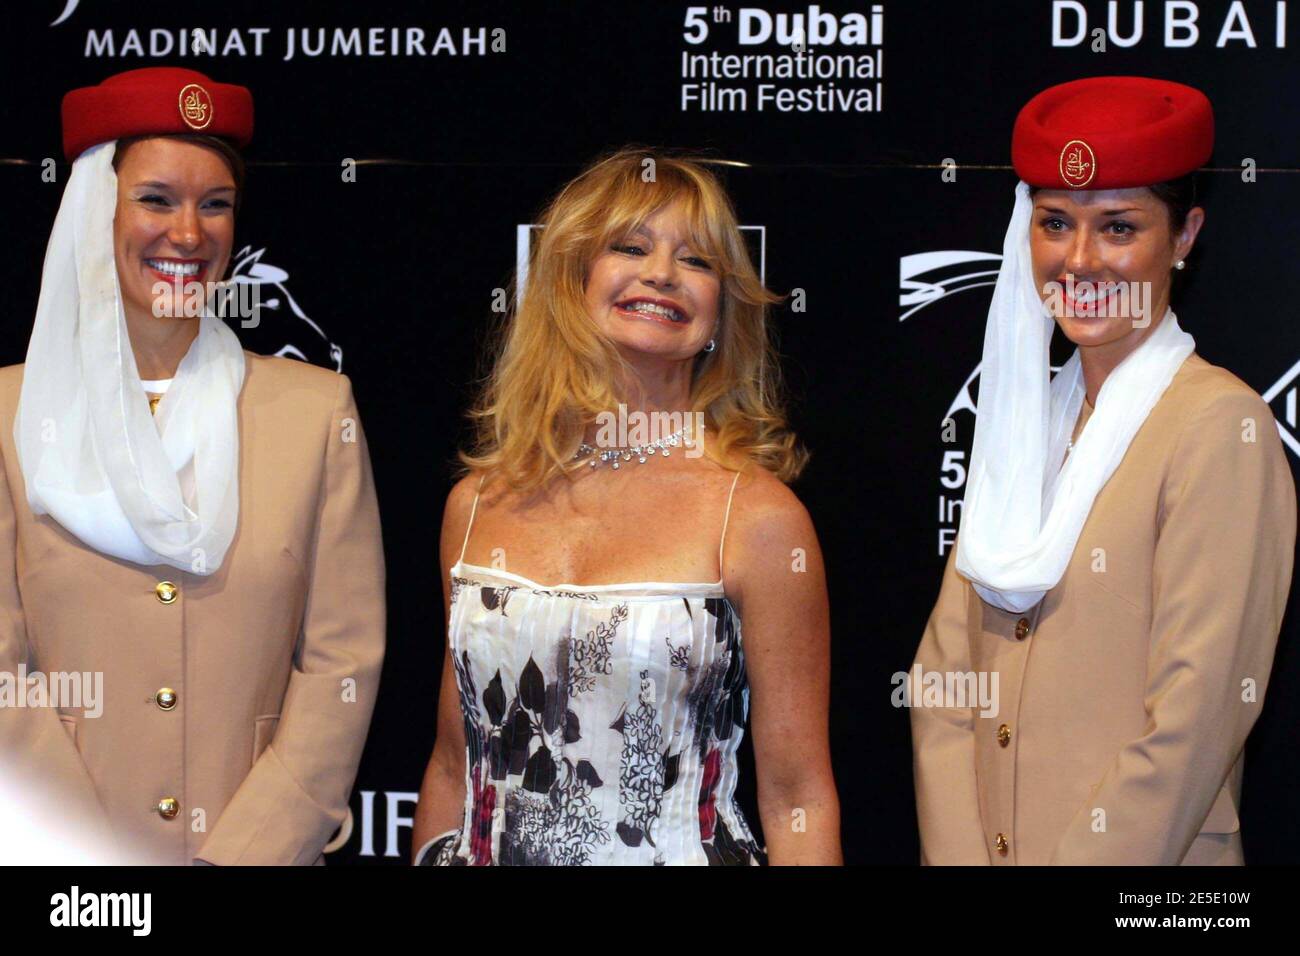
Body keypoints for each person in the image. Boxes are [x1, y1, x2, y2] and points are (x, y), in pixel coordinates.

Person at [0, 67, 386, 865]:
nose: (187, 234)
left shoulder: (316, 412)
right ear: (90, 214)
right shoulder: (9, 416)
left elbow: (343, 659)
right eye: (156, 200)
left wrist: (248, 851)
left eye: (215, 205)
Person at [412, 147, 840, 865]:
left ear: (720, 307)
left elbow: (798, 796)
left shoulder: (758, 518)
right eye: (630, 247)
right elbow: (454, 766)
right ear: (571, 279)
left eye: (697, 261)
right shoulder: (478, 502)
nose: (663, 274)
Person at [911, 76, 1296, 865]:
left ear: (1184, 236)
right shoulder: (1019, 427)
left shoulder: (1220, 429)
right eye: (1056, 223)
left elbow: (1192, 723)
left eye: (1118, 227)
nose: (1080, 260)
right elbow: (944, 685)